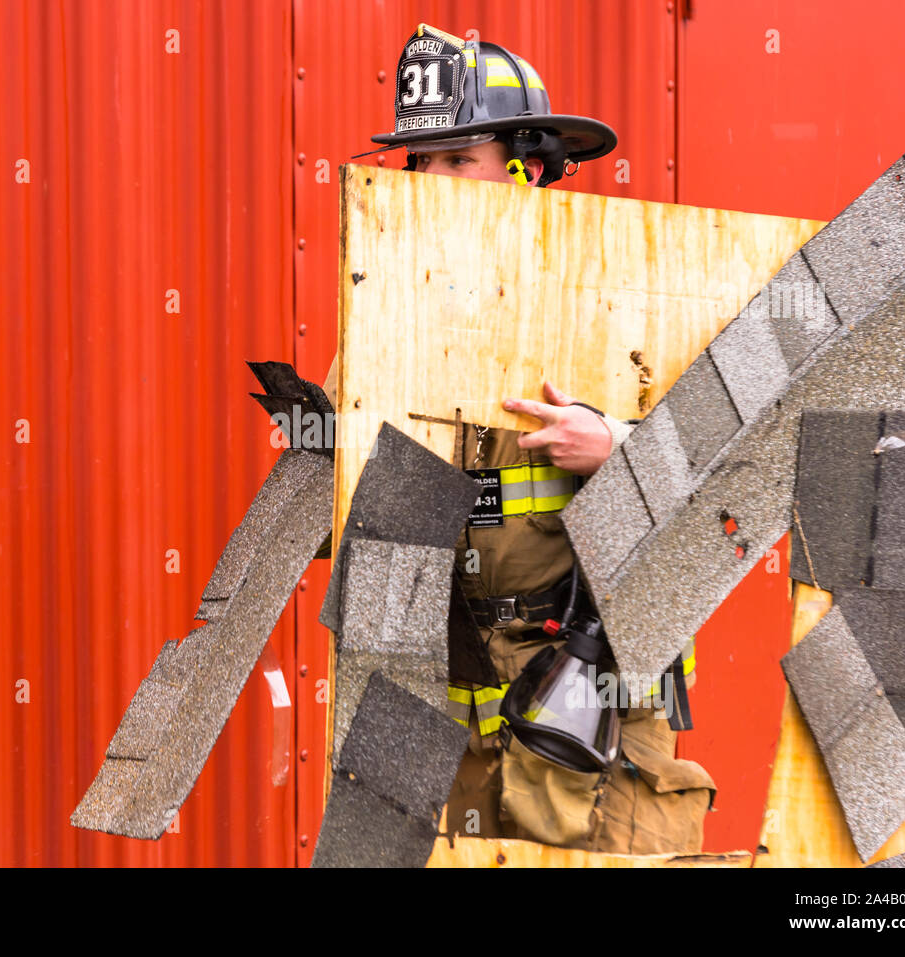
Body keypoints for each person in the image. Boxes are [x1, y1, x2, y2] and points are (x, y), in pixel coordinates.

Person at [323, 24, 715, 854]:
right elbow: (332, 508)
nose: (434, 181)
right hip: (456, 716)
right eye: (423, 161)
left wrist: (619, 445)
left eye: (458, 159)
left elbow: (734, 483)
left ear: (524, 168)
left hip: (594, 710)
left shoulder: (621, 293)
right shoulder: (391, 312)